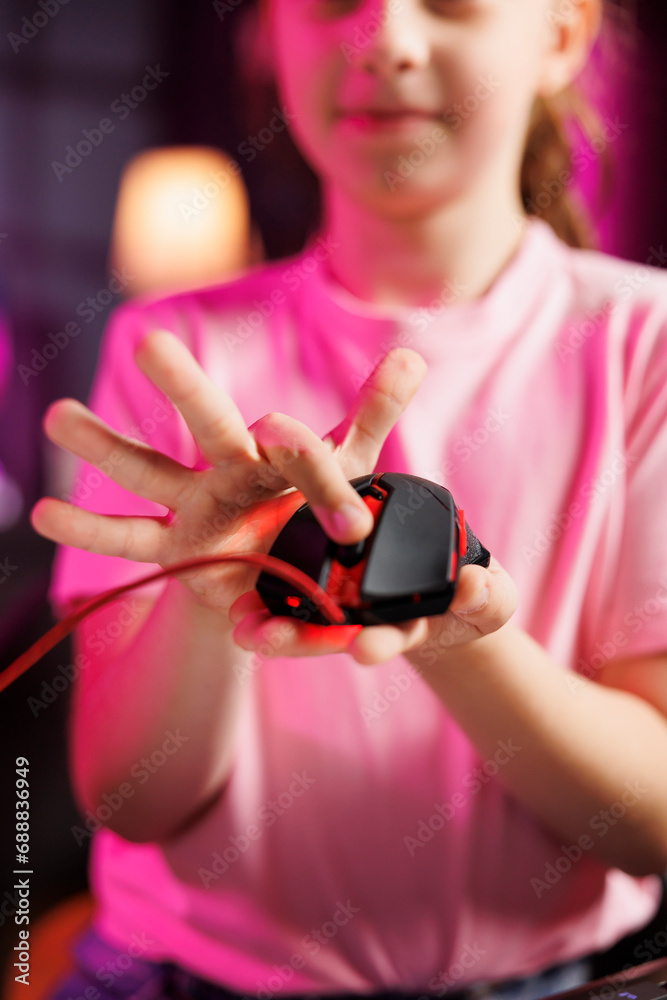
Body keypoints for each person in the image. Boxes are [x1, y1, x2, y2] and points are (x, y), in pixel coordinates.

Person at [32, 0, 667, 997]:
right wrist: (204, 600)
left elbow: (654, 819)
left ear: (560, 34)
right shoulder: (173, 353)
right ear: (264, 38)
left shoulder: (644, 345)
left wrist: (466, 641)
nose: (385, 38)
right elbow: (129, 796)